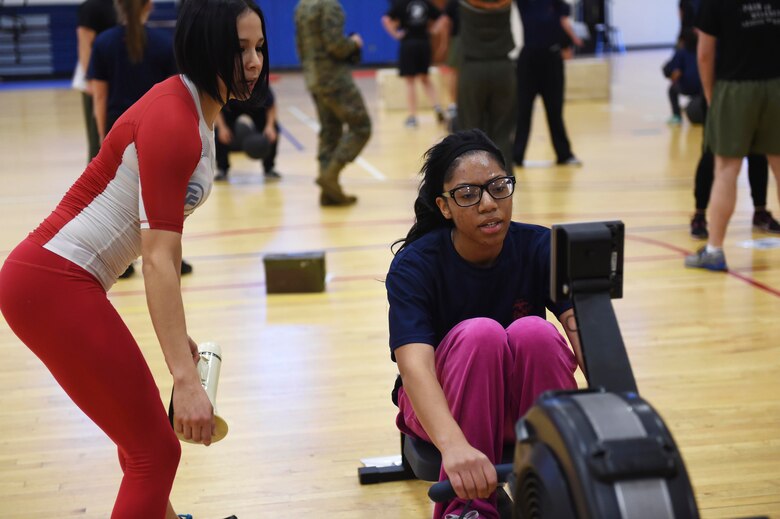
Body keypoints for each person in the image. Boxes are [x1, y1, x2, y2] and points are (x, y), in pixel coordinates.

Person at [0, 1, 269, 517]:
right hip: (52, 282)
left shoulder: (197, 111)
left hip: (57, 282)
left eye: (259, 47)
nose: (254, 61)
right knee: (155, 453)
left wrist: (176, 337)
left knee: (139, 444)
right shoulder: (174, 118)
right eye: (240, 49)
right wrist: (185, 381)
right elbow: (157, 260)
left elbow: (161, 248)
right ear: (205, 44)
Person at [386, 129, 583, 519]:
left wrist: (615, 417)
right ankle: (468, 510)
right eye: (468, 194)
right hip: (439, 409)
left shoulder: (540, 247)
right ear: (444, 207)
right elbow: (414, 369)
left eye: (498, 187)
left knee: (535, 332)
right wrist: (454, 445)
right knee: (482, 334)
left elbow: (586, 332)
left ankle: (558, 497)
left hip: (520, 405)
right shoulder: (415, 266)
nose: (489, 204)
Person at [88, 0, 190, 278]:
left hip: (118, 133)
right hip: (158, 132)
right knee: (163, 200)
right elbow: (176, 95)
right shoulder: (163, 43)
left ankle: (122, 263)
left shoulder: (104, 43)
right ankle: (169, 257)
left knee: (120, 203)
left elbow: (99, 95)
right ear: (150, 6)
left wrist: (102, 136)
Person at [685, 0, 780, 271]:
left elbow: (704, 54)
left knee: (726, 168)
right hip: (776, 86)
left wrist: (712, 97)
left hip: (736, 87)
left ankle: (714, 250)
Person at [294, 0, 371, 207]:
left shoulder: (302, 6)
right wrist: (354, 42)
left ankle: (329, 193)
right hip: (335, 79)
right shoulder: (329, 5)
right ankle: (331, 175)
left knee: (330, 131)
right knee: (361, 126)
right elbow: (336, 45)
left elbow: (300, 47)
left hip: (314, 78)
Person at [513, 0, 583, 167]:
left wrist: (571, 40)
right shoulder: (526, 3)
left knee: (555, 110)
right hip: (529, 61)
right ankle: (516, 155)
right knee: (523, 111)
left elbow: (562, 23)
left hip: (552, 59)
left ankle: (564, 154)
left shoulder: (559, 5)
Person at [456, 0, 517, 173]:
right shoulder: (506, 3)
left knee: (469, 133)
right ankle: (503, 185)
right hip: (503, 67)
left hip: (473, 68)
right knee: (503, 132)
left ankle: (472, 182)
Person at [382, 0, 445, 128]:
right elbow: (443, 17)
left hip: (408, 44)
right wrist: (434, 29)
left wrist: (396, 34)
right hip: (424, 43)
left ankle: (412, 117)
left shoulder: (401, 3)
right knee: (425, 78)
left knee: (410, 82)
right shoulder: (425, 2)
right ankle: (437, 107)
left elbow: (386, 19)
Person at [74, 0, 116, 162]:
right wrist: (90, 78)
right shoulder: (92, 7)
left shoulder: (123, 5)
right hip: (98, 80)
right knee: (98, 137)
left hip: (117, 76)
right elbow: (84, 43)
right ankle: (95, 181)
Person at [214, 86, 282, 181]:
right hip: (231, 108)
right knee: (219, 133)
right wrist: (222, 128)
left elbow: (271, 105)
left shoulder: (259, 83)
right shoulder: (227, 84)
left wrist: (269, 126)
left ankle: (269, 168)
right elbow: (216, 106)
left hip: (257, 108)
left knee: (273, 131)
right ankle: (222, 169)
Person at [663, 28, 701, 125]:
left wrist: (671, 75)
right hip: (703, 87)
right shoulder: (702, 50)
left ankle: (676, 116)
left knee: (672, 89)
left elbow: (671, 70)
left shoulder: (681, 52)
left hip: (687, 87)